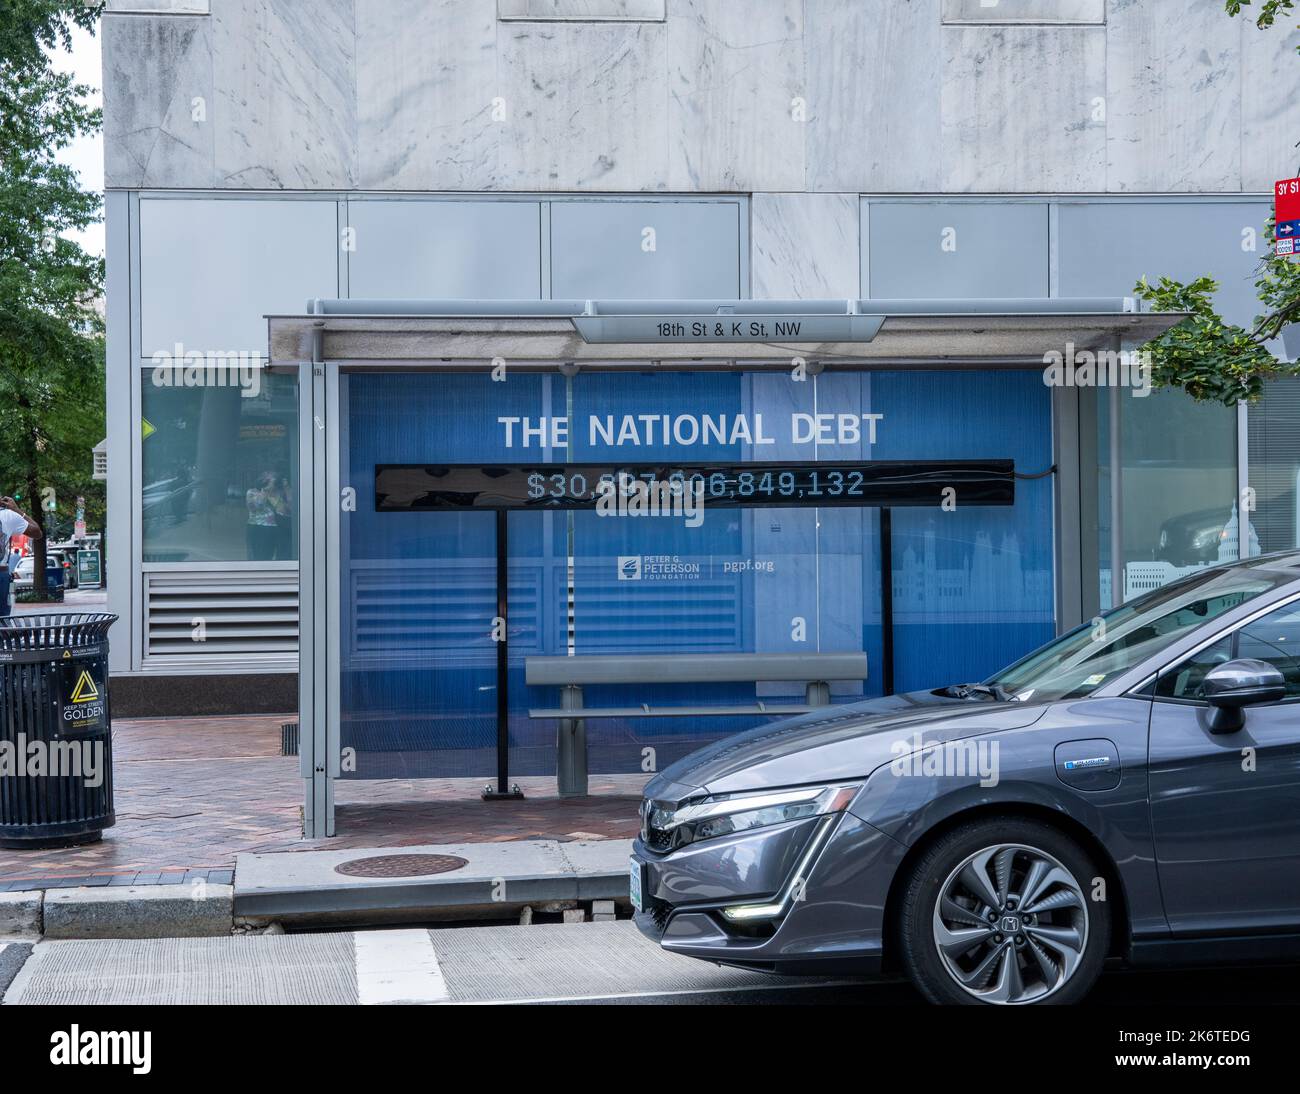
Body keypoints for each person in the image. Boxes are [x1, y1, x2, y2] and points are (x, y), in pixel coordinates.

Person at [0, 496, 42, 616]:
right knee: (2, 623)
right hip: (1, 574)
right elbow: (37, 532)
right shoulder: (9, 515)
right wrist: (17, 510)